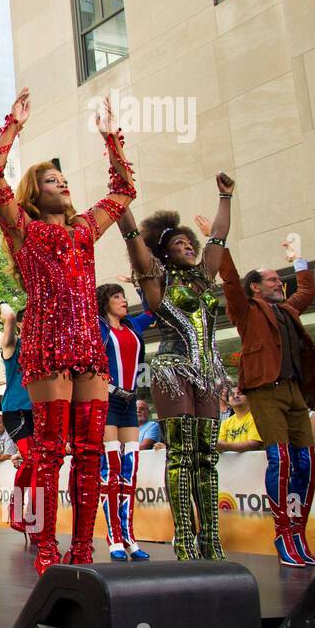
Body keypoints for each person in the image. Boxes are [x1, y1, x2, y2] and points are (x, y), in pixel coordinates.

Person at [0, 90, 135, 573]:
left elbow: (125, 191)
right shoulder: (24, 228)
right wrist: (14, 125)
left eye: (65, 179)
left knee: (91, 452)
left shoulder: (86, 228)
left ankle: (83, 548)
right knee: (51, 452)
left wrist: (111, 137)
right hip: (47, 344)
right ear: (36, 191)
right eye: (52, 179)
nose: (63, 185)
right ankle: (47, 546)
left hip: (89, 345)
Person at [119, 179, 232, 562]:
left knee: (206, 455)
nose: (187, 247)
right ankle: (184, 536)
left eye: (189, 243)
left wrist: (225, 196)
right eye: (178, 244)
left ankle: (211, 538)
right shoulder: (157, 280)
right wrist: (120, 200)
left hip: (207, 368)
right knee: (181, 453)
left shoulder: (204, 277)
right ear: (163, 253)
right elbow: (133, 237)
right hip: (173, 368)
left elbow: (218, 235)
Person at [218, 234, 315, 567]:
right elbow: (231, 280)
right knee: (282, 461)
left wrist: (299, 260)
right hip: (265, 390)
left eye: (280, 278)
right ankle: (282, 534)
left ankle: (299, 534)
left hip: (294, 390)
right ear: (255, 288)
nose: (281, 283)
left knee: (307, 462)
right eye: (273, 279)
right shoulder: (246, 311)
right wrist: (219, 242)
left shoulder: (287, 310)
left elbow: (307, 291)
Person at [95, 283, 155, 562]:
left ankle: (129, 537)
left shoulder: (133, 327)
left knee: (130, 470)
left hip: (130, 401)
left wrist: (140, 284)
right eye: (116, 296)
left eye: (123, 296)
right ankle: (114, 537)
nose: (122, 300)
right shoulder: (98, 327)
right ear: (105, 302)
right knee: (111, 469)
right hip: (107, 401)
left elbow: (154, 310)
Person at [0, 304, 36, 542]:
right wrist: (8, 315)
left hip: (39, 410)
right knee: (32, 458)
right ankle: (16, 510)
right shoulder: (13, 346)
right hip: (16, 410)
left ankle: (36, 521)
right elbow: (9, 326)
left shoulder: (43, 347)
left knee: (42, 464)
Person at [217, 385, 264, 452]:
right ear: (228, 401)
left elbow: (254, 444)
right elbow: (220, 445)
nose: (235, 396)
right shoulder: (226, 423)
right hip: (231, 461)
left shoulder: (257, 416)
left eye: (240, 394)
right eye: (232, 394)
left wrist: (224, 446)